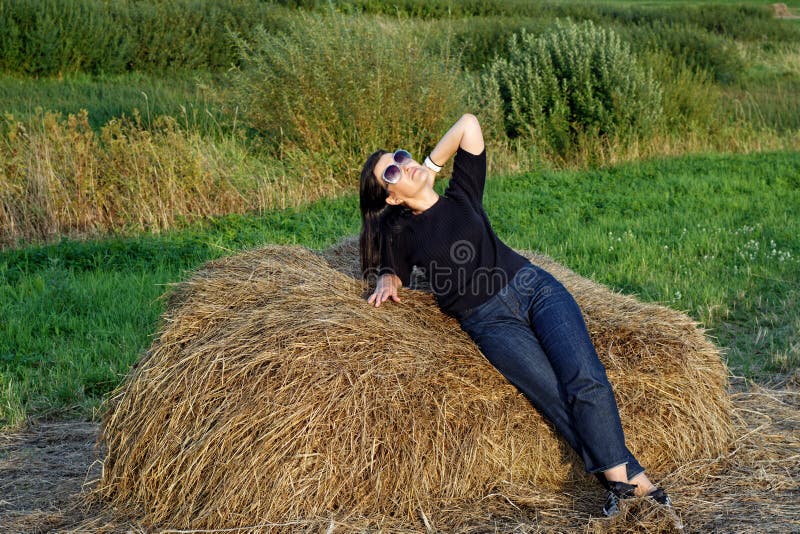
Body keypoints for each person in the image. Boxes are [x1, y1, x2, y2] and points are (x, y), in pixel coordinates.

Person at [358, 113, 673, 518]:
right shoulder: (400, 231)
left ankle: (626, 487)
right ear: (391, 197)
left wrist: (430, 165)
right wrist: (387, 279)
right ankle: (632, 483)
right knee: (556, 399)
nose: (405, 163)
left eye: (401, 154)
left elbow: (468, 125)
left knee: (585, 378)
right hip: (489, 322)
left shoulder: (462, 194)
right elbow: (391, 270)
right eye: (392, 169)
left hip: (533, 287)